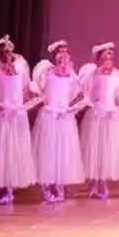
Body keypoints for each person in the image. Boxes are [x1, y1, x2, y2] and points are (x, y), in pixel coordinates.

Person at [0, 35, 37, 205]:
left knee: (14, 150)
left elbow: (25, 90)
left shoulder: (20, 70)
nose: (8, 54)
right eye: (4, 52)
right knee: (1, 150)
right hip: (2, 114)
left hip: (16, 115)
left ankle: (10, 188)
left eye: (9, 51)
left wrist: (25, 105)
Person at [31, 40, 86, 204]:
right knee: (49, 152)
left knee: (64, 152)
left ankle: (60, 186)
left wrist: (72, 108)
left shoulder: (72, 74)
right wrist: (46, 101)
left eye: (65, 51)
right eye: (59, 52)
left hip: (64, 117)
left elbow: (79, 94)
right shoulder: (46, 71)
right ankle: (47, 186)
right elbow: (38, 90)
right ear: (54, 55)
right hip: (50, 115)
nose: (63, 55)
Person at [78, 42, 119, 199]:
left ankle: (103, 182)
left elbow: (118, 95)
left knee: (106, 149)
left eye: (110, 56)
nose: (108, 59)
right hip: (97, 115)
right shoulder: (92, 75)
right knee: (95, 149)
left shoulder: (116, 75)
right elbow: (87, 95)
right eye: (105, 56)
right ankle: (93, 183)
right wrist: (95, 106)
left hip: (110, 116)